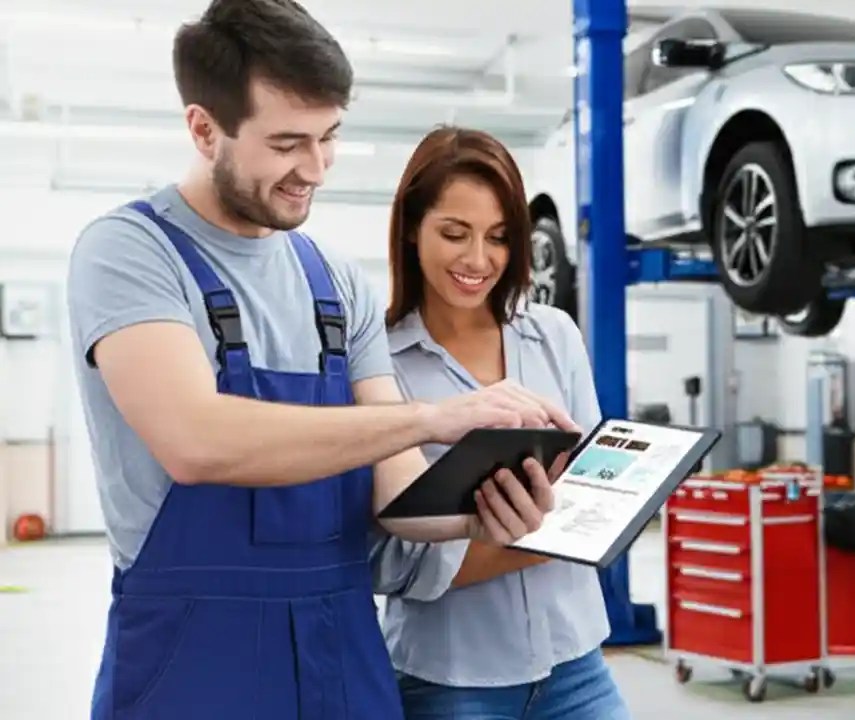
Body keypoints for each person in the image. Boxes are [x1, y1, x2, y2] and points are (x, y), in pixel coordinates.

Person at [66, 3, 571, 719]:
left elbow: (400, 503)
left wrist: (486, 509)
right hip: (193, 662)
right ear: (204, 129)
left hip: (343, 657)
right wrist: (431, 416)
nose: (316, 169)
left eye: (329, 137)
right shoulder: (128, 253)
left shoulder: (333, 281)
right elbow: (196, 441)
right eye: (286, 143)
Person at [368, 126, 631, 719]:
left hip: (577, 665)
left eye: (499, 238)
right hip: (450, 681)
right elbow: (388, 562)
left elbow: (601, 495)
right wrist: (548, 534)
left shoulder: (554, 335)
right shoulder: (377, 365)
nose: (478, 261)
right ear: (411, 228)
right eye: (455, 234)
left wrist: (483, 539)